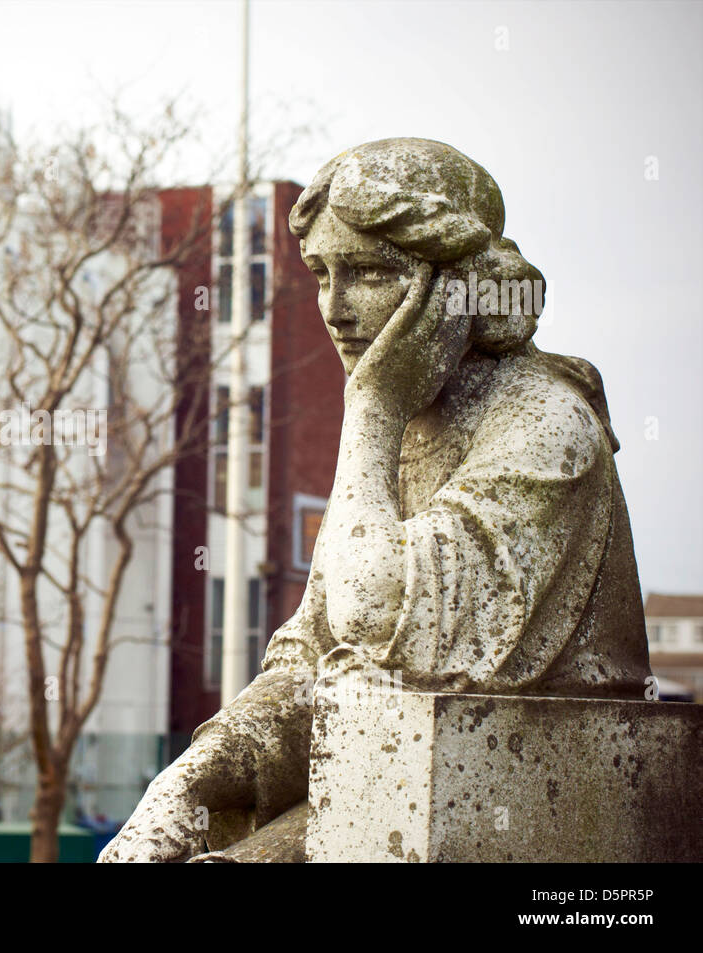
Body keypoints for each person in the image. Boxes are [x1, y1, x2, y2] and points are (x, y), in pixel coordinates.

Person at [98, 138, 651, 863]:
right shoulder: (400, 422)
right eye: (324, 273)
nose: (335, 307)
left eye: (368, 272)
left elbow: (380, 622)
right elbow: (316, 652)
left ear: (460, 285)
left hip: (525, 791)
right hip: (407, 782)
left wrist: (374, 409)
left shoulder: (546, 423)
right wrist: (197, 779)